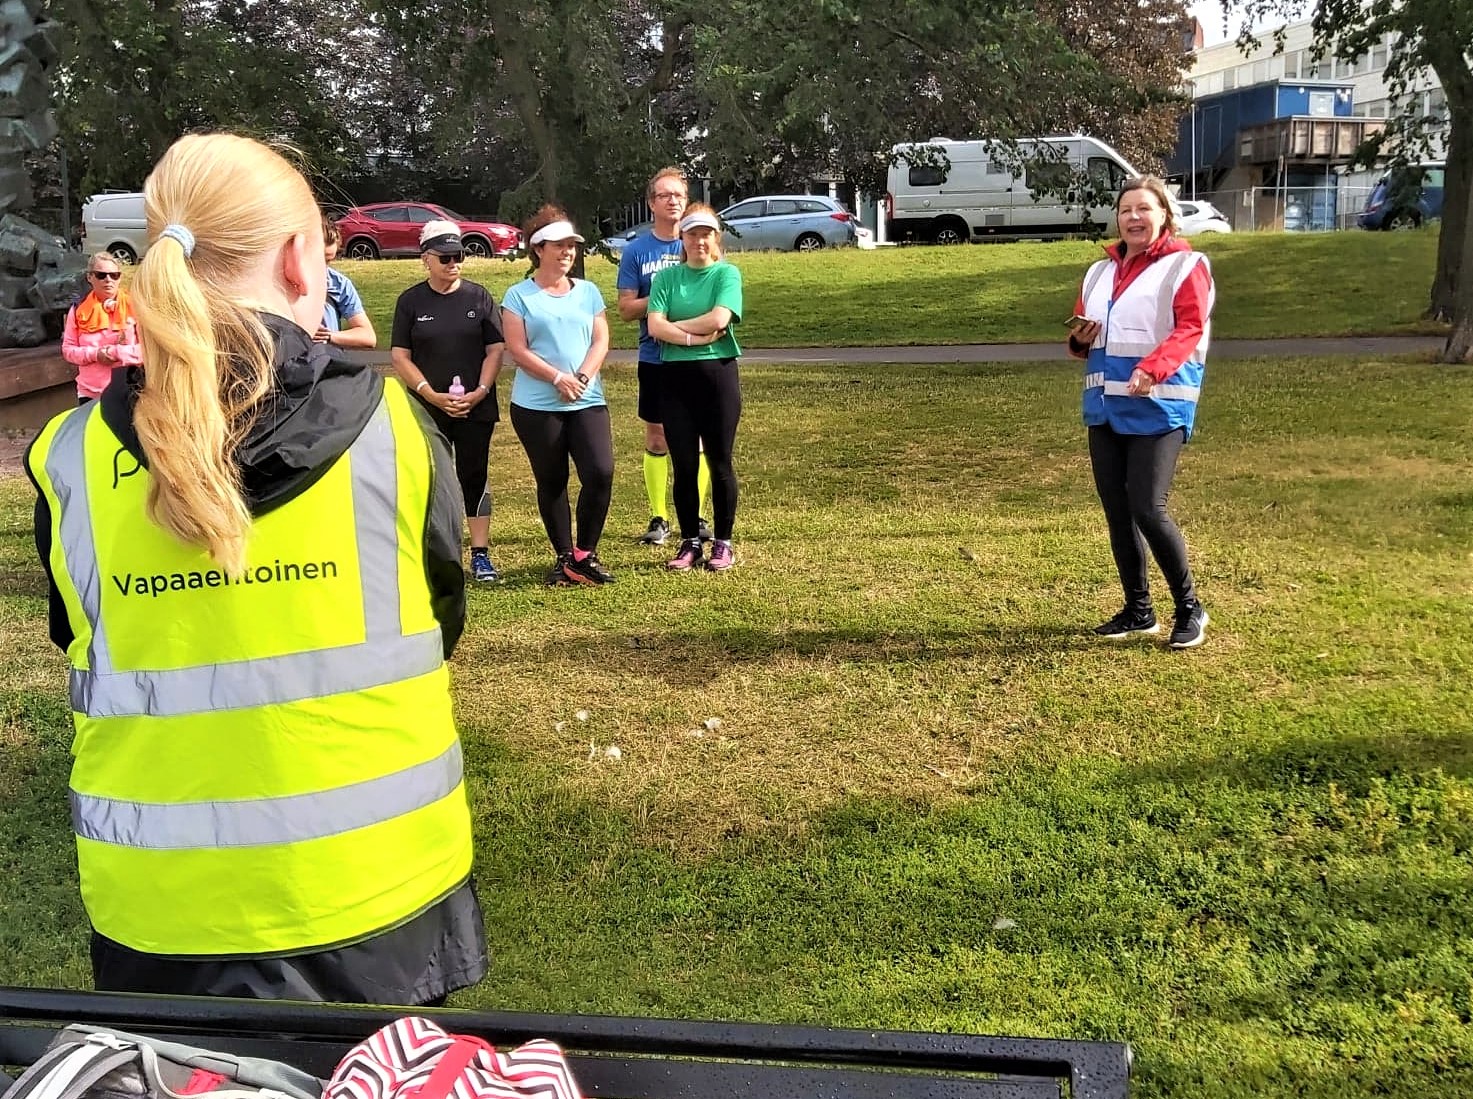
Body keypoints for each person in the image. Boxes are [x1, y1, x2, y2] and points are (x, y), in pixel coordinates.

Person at [23, 132, 486, 1004]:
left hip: (160, 908)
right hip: (376, 886)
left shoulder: (68, 456)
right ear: (299, 259)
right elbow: (440, 617)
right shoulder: (394, 427)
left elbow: (80, 637)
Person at [1066, 174, 1212, 650]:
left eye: (1144, 209)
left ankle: (1190, 607)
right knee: (1119, 513)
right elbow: (1085, 335)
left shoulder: (1186, 266)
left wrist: (1155, 368)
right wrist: (1078, 339)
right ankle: (1138, 609)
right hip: (1105, 407)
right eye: (1127, 209)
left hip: (1159, 404)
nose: (1134, 217)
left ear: (1164, 215)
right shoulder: (1098, 271)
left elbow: (1190, 327)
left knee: (1149, 507)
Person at [501, 206, 616, 586]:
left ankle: (585, 554)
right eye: (560, 245)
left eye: (572, 246)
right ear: (538, 249)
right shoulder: (518, 296)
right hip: (536, 407)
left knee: (600, 472)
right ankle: (565, 557)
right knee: (552, 481)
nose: (568, 252)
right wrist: (556, 378)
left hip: (586, 398)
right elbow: (517, 349)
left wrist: (581, 377)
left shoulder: (588, 291)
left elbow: (601, 338)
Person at [390, 219, 505, 583]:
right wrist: (430, 394)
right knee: (431, 478)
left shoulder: (479, 297)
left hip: (475, 406)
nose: (454, 263)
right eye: (445, 258)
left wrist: (481, 391)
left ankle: (481, 555)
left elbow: (495, 349)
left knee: (474, 475)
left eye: (459, 256)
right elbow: (400, 356)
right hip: (428, 407)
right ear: (426, 259)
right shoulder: (410, 302)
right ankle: (436, 553)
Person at [616, 167, 711, 546]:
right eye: (665, 195)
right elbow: (625, 310)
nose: (673, 201)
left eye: (678, 195)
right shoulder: (637, 251)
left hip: (697, 357)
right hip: (655, 358)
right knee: (657, 438)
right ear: (651, 202)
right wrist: (660, 298)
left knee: (699, 439)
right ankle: (658, 517)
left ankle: (699, 515)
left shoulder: (698, 241)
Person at [646, 205, 744, 573]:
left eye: (706, 234)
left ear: (715, 238)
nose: (699, 240)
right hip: (674, 379)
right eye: (692, 234)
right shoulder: (666, 279)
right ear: (682, 239)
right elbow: (655, 326)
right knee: (684, 464)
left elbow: (721, 318)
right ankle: (689, 541)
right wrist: (693, 337)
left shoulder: (726, 274)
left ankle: (723, 542)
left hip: (718, 376)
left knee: (719, 462)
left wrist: (676, 326)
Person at [61, 252, 143, 404]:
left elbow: (148, 351)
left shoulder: (136, 307)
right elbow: (68, 350)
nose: (108, 280)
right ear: (89, 277)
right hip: (90, 393)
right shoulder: (78, 309)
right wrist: (95, 355)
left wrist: (116, 352)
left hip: (129, 390)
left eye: (114, 275)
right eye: (101, 275)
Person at [316, 216, 377, 350]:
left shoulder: (338, 283)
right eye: (319, 260)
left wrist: (328, 336)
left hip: (327, 365)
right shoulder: (278, 282)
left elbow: (368, 336)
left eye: (329, 261)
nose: (324, 268)